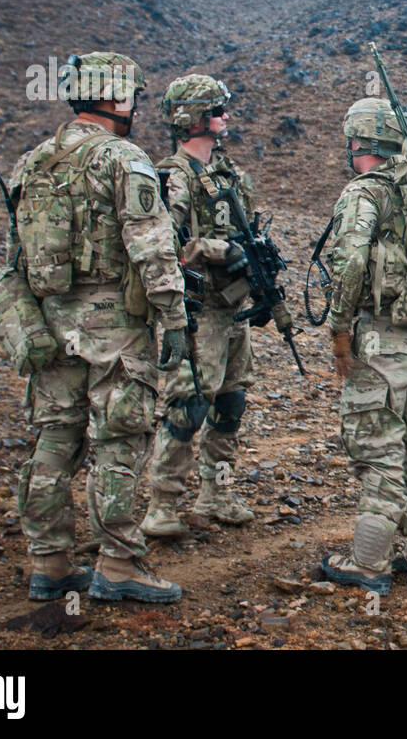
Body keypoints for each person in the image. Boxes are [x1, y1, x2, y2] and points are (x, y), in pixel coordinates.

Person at [11, 51, 187, 603]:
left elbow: (18, 257)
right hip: (114, 326)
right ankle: (117, 564)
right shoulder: (123, 158)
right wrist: (174, 317)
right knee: (120, 439)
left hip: (48, 319)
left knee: (55, 438)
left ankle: (51, 562)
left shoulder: (33, 161)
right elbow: (151, 244)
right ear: (115, 97)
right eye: (133, 94)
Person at [320, 97, 407, 595]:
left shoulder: (367, 192)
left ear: (360, 143)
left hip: (382, 342)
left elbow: (352, 264)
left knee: (379, 449)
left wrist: (339, 328)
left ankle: (368, 563)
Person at [142, 74, 256, 535]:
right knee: (187, 407)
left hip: (232, 309)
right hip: (197, 311)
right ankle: (163, 505)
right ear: (192, 118)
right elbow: (164, 245)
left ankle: (217, 494)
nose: (224, 117)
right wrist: (215, 250)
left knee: (231, 402)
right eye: (215, 110)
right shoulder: (172, 177)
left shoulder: (228, 174)